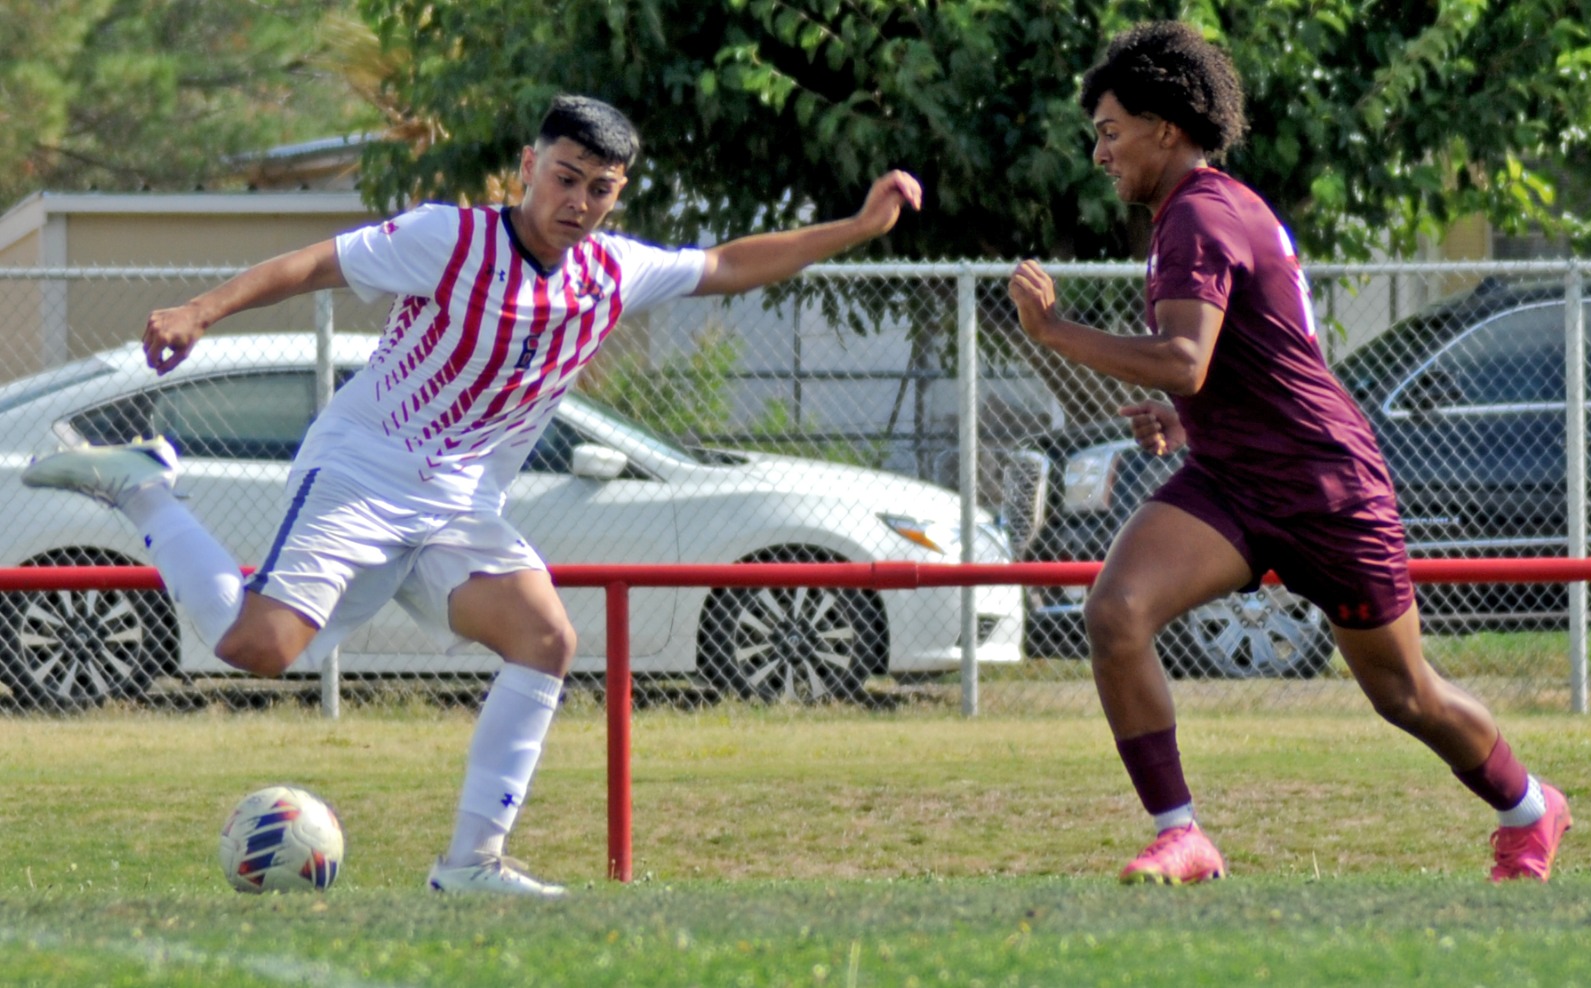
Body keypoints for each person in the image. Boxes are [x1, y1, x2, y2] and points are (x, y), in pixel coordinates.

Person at [23, 94, 922, 897]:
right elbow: (315, 266)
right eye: (565, 178)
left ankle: (471, 865)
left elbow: (725, 262)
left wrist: (856, 226)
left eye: (601, 189)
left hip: (455, 502)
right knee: (255, 649)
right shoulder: (448, 238)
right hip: (363, 472)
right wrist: (200, 311)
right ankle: (149, 495)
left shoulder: (610, 271)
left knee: (545, 638)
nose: (579, 202)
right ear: (529, 169)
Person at [1007, 22, 1569, 885]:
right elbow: (1245, 363)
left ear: (1167, 125)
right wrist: (1189, 419)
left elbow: (1187, 359)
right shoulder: (1207, 206)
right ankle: (1182, 833)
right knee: (1116, 611)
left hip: (1323, 487)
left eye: (1110, 130)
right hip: (1233, 481)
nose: (1098, 151)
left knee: (1405, 696)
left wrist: (1053, 332)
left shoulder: (1197, 215)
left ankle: (1530, 808)